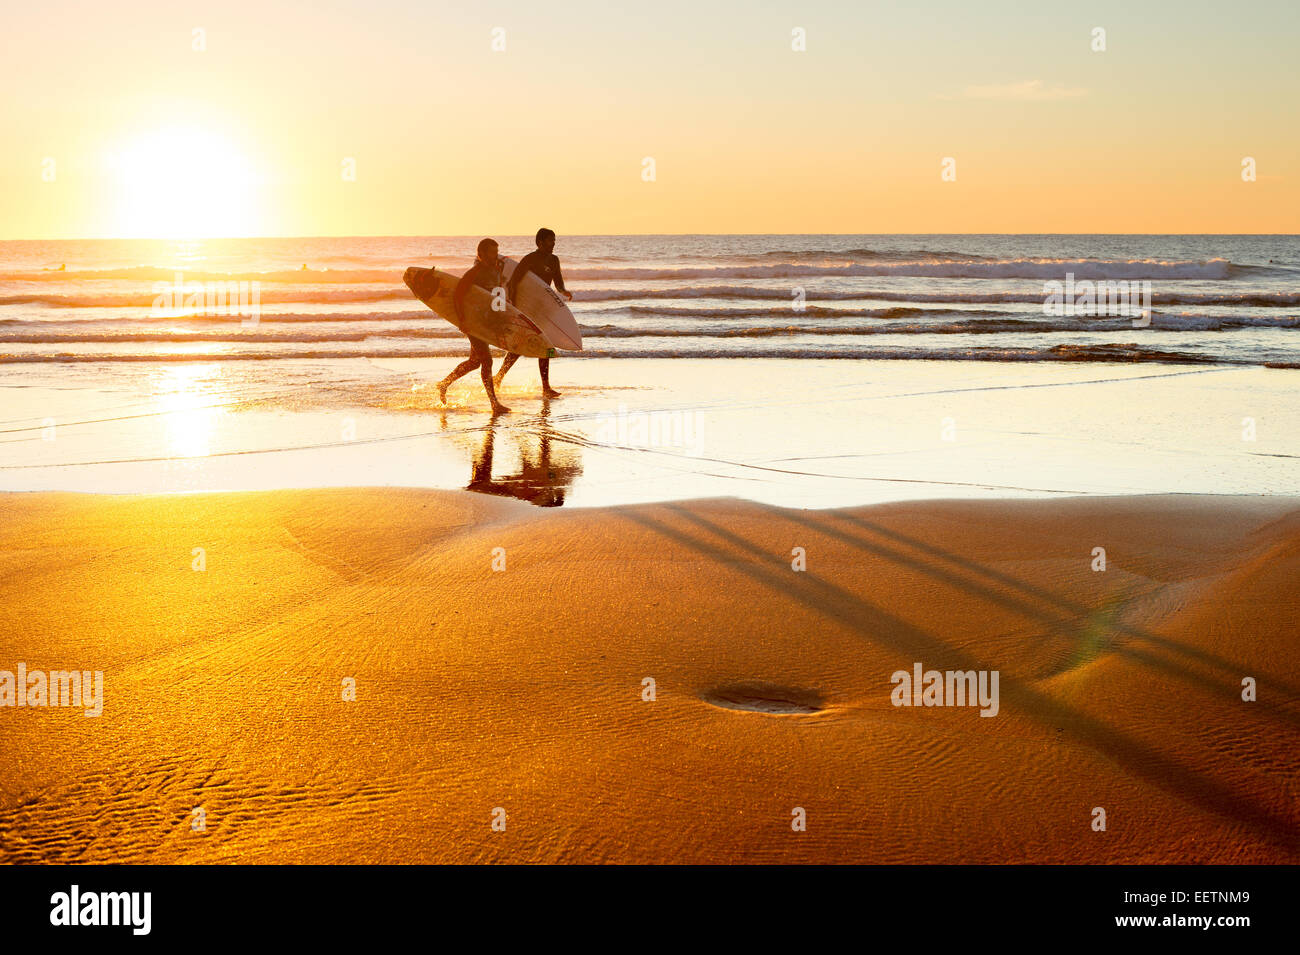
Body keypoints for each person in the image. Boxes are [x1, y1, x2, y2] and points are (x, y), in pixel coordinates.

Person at [495, 228, 572, 398]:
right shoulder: (530, 259)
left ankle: (545, 387)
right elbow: (513, 283)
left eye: (554, 240)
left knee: (545, 346)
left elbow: (557, 283)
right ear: (540, 242)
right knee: (519, 344)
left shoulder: (554, 260)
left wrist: (564, 291)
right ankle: (499, 378)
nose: (553, 243)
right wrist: (515, 306)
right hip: (527, 308)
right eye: (550, 240)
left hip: (544, 310)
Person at [436, 238, 510, 415]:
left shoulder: (496, 271)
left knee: (475, 362)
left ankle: (444, 384)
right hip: (472, 321)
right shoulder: (474, 272)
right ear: (481, 254)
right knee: (487, 360)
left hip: (486, 321)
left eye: (496, 252)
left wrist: (501, 314)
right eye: (491, 252)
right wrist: (462, 319)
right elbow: (458, 294)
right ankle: (494, 404)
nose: (495, 256)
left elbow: (496, 294)